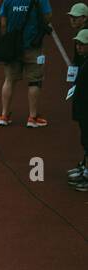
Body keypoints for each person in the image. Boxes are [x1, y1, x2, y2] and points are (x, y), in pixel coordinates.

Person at [0, 0, 53, 127]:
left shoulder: (8, 1)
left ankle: (4, 116)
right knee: (35, 81)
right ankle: (32, 118)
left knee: (9, 80)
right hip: (32, 46)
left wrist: (5, 41)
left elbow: (3, 23)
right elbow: (48, 16)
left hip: (13, 48)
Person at [69, 28, 88, 189]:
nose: (78, 47)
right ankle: (85, 169)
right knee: (85, 141)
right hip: (83, 110)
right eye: (77, 44)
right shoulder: (84, 62)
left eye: (82, 44)